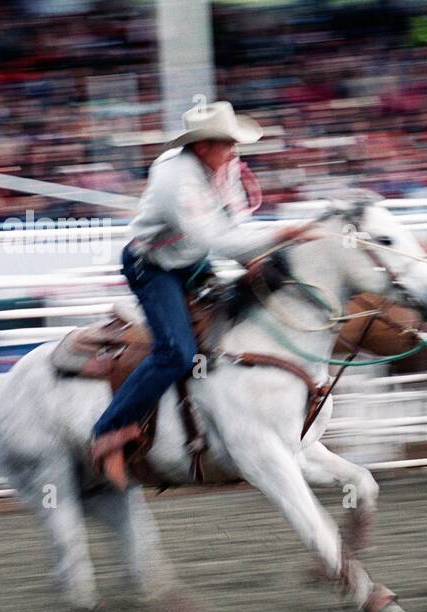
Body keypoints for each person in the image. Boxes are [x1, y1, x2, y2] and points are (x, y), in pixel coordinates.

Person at [90, 101, 318, 489]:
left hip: (190, 261)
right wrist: (282, 235)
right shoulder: (175, 181)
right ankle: (109, 432)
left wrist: (256, 258)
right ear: (203, 146)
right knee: (176, 351)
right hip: (154, 266)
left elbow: (234, 217)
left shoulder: (222, 165)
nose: (234, 150)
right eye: (226, 143)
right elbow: (215, 239)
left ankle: (233, 422)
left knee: (246, 314)